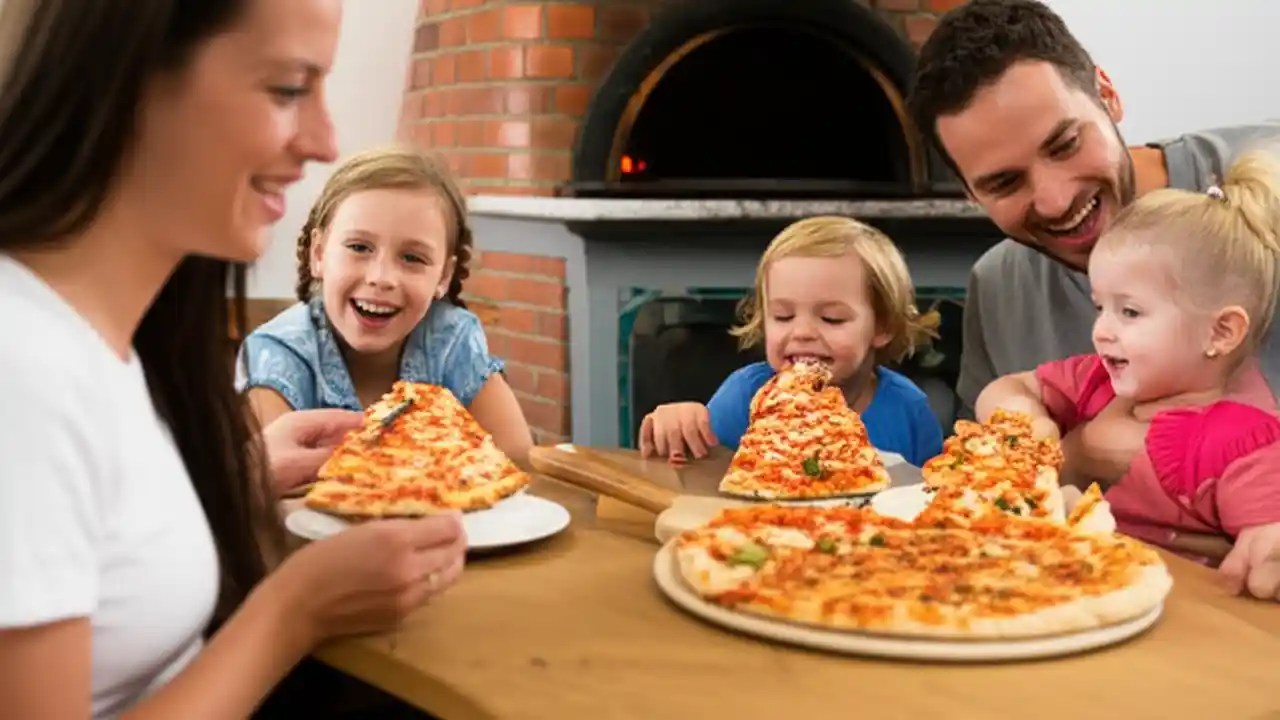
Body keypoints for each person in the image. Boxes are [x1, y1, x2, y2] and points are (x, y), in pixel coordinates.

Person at [0, 2, 466, 718]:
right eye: (287, 89)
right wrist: (294, 609)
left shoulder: (118, 342)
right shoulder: (22, 371)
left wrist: (242, 474)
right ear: (129, 80)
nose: (323, 140)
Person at [907, 0, 1280, 559]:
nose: (1057, 200)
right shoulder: (998, 286)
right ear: (971, 194)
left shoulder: (1262, 183)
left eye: (1064, 144)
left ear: (1108, 94)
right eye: (1005, 182)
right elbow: (988, 478)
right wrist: (1082, 453)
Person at [975, 151, 1280, 600]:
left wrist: (1267, 545)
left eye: (1130, 311)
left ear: (1221, 331)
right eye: (1101, 308)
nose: (1101, 330)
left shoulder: (1244, 442)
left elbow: (1269, 536)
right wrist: (1028, 424)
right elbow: (1008, 387)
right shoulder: (1097, 379)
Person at [236, 146, 533, 479]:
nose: (381, 278)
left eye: (412, 258)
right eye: (359, 248)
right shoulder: (277, 354)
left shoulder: (453, 340)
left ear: (443, 277)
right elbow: (272, 491)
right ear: (318, 254)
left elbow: (517, 463)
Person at [638, 216, 944, 467]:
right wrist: (678, 424)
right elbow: (697, 474)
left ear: (883, 326)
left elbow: (931, 499)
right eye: (783, 317)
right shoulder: (745, 395)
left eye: (832, 319)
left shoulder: (909, 410)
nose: (802, 333)